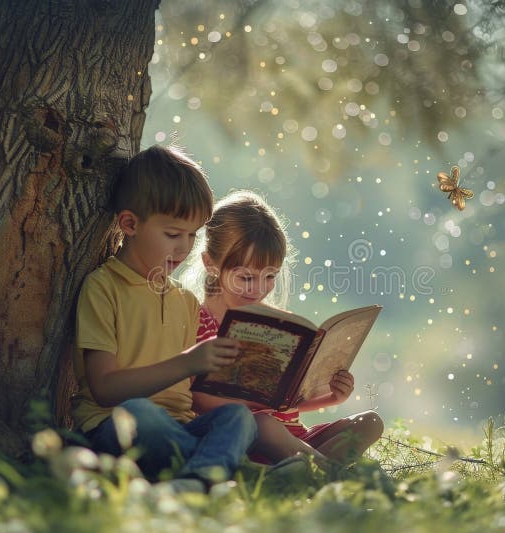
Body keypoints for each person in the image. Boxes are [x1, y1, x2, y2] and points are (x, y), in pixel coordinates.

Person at [71, 144, 257, 493]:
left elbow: (193, 391)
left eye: (192, 235)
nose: (183, 248)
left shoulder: (185, 301)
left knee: (239, 419)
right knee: (143, 416)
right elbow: (105, 388)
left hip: (180, 426)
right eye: (172, 234)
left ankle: (192, 480)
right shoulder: (103, 287)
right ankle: (226, 472)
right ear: (130, 224)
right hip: (117, 424)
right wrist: (188, 362)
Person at [183, 190, 383, 467]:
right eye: (246, 277)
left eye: (269, 277)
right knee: (265, 424)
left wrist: (331, 395)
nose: (258, 289)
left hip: (295, 437)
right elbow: (197, 400)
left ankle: (303, 464)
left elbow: (287, 402)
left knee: (370, 422)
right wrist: (251, 406)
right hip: (242, 437)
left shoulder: (278, 327)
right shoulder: (197, 322)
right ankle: (329, 472)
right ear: (211, 264)